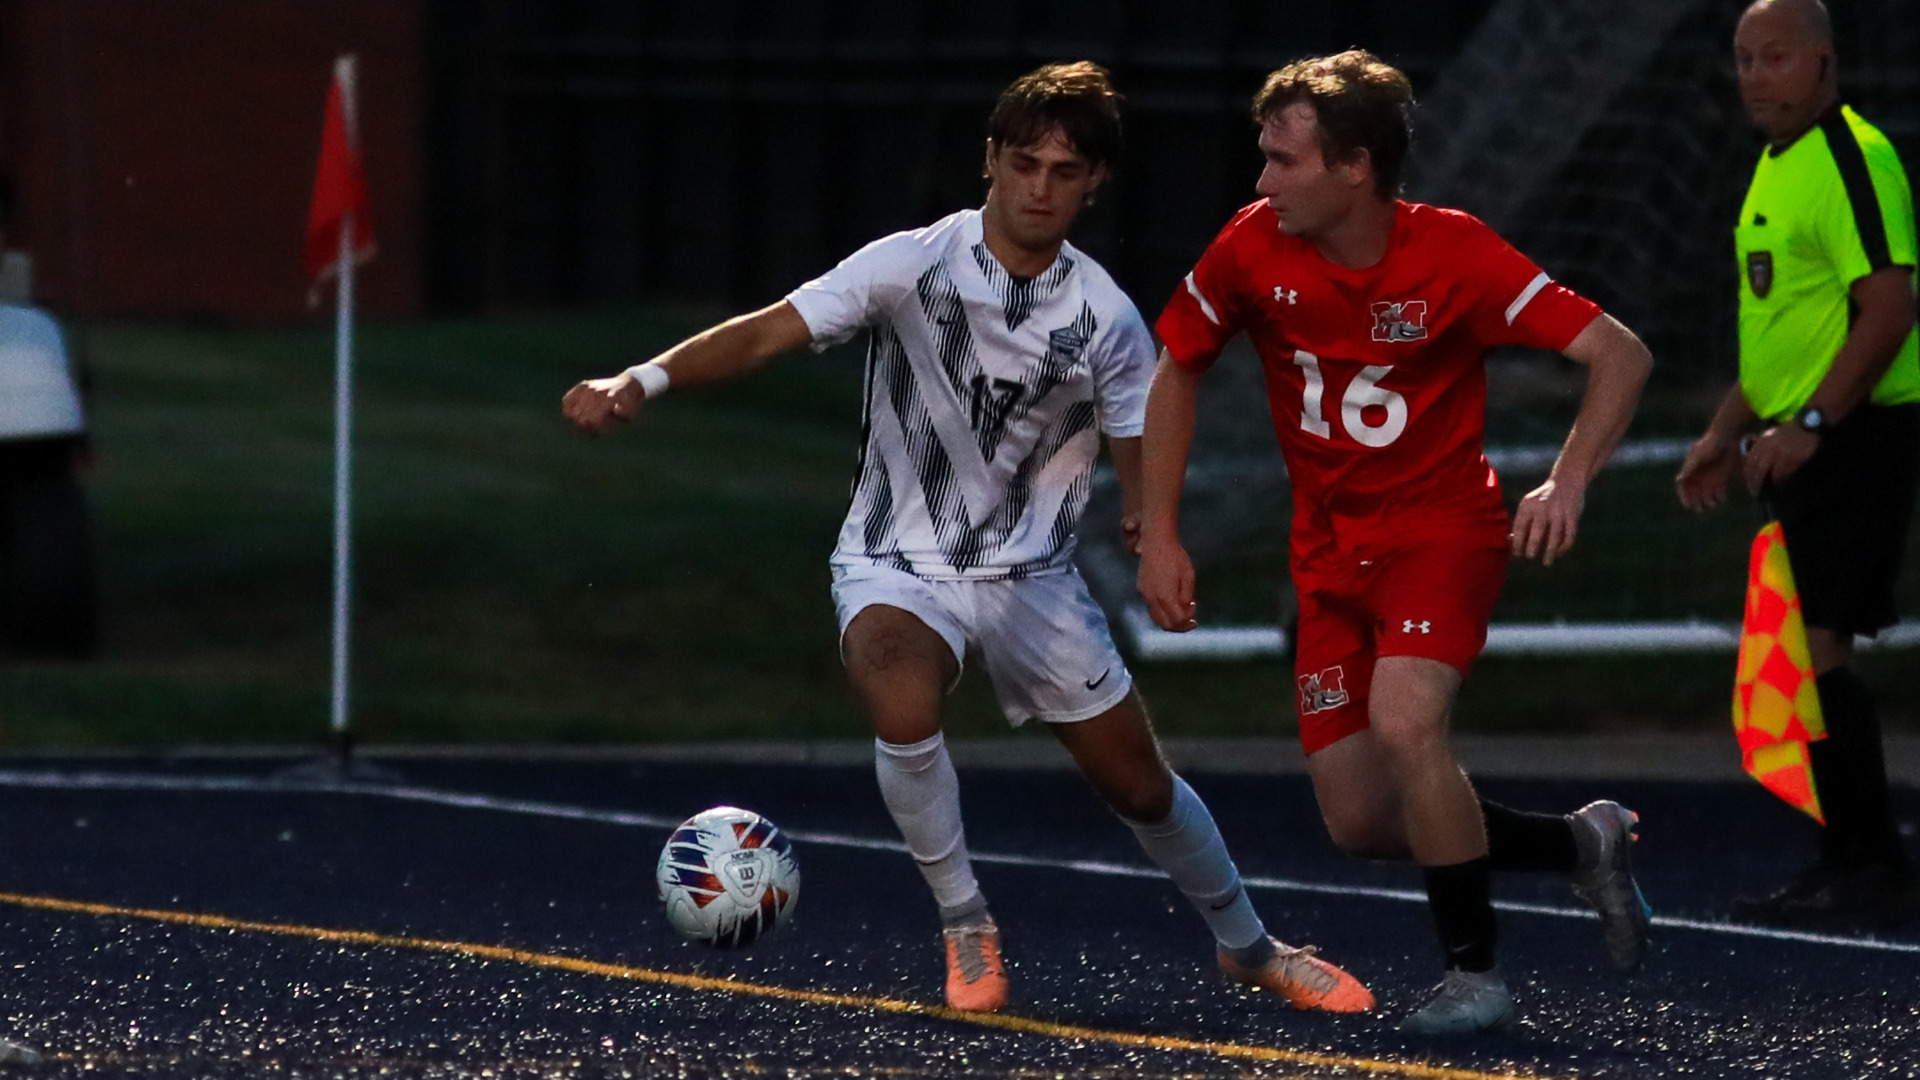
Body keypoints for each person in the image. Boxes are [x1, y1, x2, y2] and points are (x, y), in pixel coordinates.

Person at [563, 62, 1371, 1017]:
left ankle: (1248, 944)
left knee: (1141, 787)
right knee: (892, 670)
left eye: (1064, 172)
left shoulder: (1103, 315)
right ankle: (964, 919)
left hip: (1034, 574)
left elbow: (1139, 434)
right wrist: (639, 380)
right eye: (1023, 163)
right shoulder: (911, 263)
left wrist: (1157, 535)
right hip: (896, 559)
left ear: (1094, 182)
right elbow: (768, 331)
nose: (1039, 188)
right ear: (989, 160)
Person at [1137, 51, 1656, 1034]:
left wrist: (1571, 476)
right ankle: (1577, 848)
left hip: (1440, 533)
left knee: (1410, 721)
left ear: (1356, 169)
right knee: (1362, 821)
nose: (1262, 181)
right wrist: (1160, 535)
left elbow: (1617, 355)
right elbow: (1177, 368)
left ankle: (1477, 977)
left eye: (1284, 161)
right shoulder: (1252, 246)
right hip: (1329, 561)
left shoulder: (1454, 254)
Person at [1674, 0, 1920, 927]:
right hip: (1797, 442)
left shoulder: (1855, 159)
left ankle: (1873, 862)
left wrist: (1812, 420)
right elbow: (1784, 329)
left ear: (1823, 60)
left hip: (1855, 438)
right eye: (1742, 59)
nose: (1754, 76)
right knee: (1804, 652)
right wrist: (1723, 430)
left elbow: (1889, 310)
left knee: (1818, 650)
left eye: (1774, 57)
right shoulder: (1776, 165)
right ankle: (1848, 857)